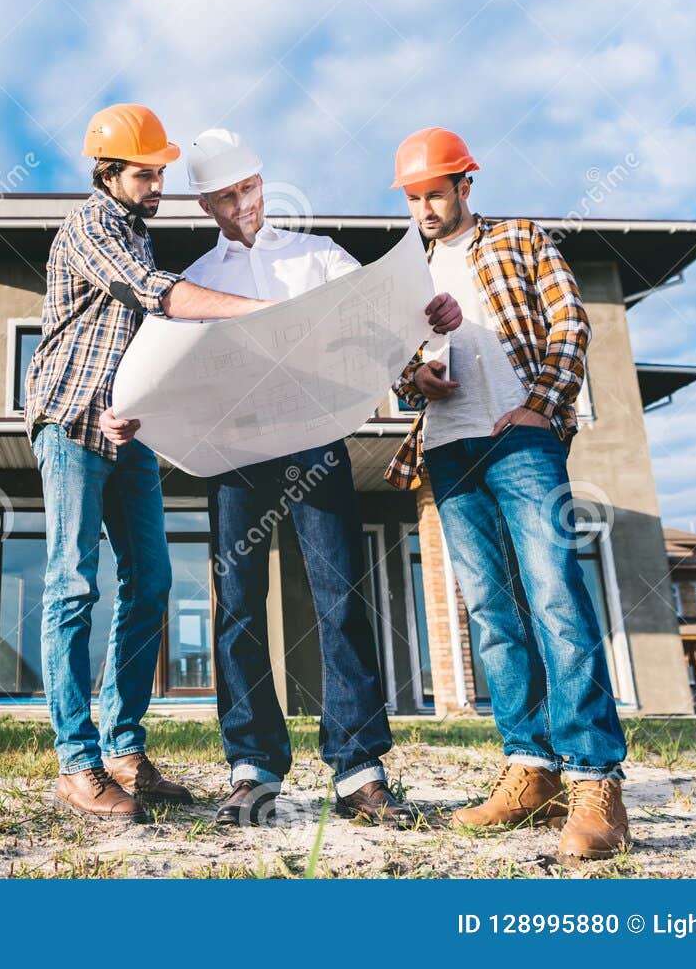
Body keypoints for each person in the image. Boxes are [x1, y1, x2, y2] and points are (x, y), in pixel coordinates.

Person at [179, 128, 461, 827]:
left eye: (246, 189)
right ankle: (252, 768)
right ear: (206, 203)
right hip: (239, 447)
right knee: (238, 601)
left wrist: (422, 342)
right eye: (222, 198)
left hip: (314, 438)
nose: (238, 205)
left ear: (262, 183)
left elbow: (379, 322)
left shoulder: (316, 257)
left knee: (339, 593)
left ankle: (358, 771)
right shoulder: (198, 280)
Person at [383, 127, 630, 860]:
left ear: (465, 185)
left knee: (554, 592)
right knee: (490, 609)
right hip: (448, 447)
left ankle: (595, 778)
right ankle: (531, 769)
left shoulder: (519, 238)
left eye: (436, 192)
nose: (425, 207)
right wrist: (415, 379)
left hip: (520, 437)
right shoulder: (413, 272)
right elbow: (401, 370)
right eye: (414, 197)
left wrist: (542, 404)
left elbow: (569, 322)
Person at [23, 103, 272, 823]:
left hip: (121, 428)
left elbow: (141, 340)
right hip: (70, 420)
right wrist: (255, 313)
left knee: (153, 579)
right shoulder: (93, 225)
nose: (158, 181)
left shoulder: (134, 230)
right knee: (72, 582)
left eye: (162, 170)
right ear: (108, 173)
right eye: (145, 171)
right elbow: (155, 295)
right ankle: (78, 763)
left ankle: (124, 749)